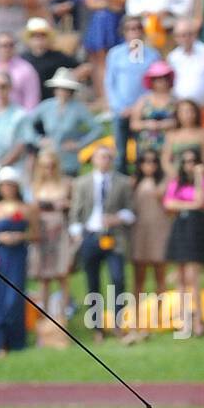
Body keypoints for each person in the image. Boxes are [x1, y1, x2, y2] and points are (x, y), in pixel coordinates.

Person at [68, 142, 134, 341]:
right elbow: (75, 213)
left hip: (114, 236)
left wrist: (118, 217)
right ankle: (97, 327)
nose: (104, 160)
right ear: (93, 160)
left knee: (118, 279)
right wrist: (77, 232)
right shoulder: (82, 183)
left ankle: (118, 322)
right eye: (100, 156)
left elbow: (131, 211)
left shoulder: (123, 182)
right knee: (92, 281)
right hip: (91, 235)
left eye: (108, 157)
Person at [0, 166, 38, 355]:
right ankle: (0, 343)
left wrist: (20, 237)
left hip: (18, 255)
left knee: (15, 297)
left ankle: (16, 341)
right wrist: (2, 238)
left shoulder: (26, 208)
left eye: (11, 185)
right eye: (5, 185)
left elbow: (36, 234)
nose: (8, 189)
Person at [164, 146, 204, 338]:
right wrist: (190, 205)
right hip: (180, 227)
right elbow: (168, 203)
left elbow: (202, 201)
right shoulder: (177, 182)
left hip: (195, 227)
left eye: (193, 161)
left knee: (194, 278)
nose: (189, 166)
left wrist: (199, 178)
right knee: (181, 277)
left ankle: (199, 321)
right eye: (186, 162)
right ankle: (184, 322)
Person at [27, 144, 73, 327]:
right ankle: (45, 318)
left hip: (60, 228)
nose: (49, 169)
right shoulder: (35, 186)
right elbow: (31, 209)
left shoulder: (65, 183)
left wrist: (64, 205)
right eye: (45, 165)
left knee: (62, 274)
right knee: (44, 277)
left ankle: (63, 317)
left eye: (52, 165)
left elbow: (74, 206)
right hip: (43, 230)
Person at [105, 15, 158, 173]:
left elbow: (154, 85)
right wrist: (119, 107)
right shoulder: (115, 54)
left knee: (143, 152)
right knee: (121, 152)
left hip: (143, 111)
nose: (134, 33)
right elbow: (110, 83)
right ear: (124, 32)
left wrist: (139, 108)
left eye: (137, 28)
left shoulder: (152, 55)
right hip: (121, 111)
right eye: (130, 29)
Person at [129, 148, 172, 328]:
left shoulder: (164, 181)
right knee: (138, 278)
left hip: (159, 231)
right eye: (146, 161)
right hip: (139, 233)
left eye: (153, 161)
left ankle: (159, 317)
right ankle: (136, 319)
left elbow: (163, 197)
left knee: (159, 276)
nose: (150, 165)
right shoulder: (133, 183)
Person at [81, 0, 127, 101]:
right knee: (100, 61)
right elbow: (90, 1)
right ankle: (103, 97)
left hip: (117, 21)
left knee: (120, 56)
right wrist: (108, 4)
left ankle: (118, 93)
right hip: (101, 21)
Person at [34, 68, 100, 177]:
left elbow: (97, 129)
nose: (62, 92)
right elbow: (27, 124)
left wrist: (80, 143)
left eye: (65, 89)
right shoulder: (46, 106)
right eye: (60, 88)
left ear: (71, 91)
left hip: (69, 160)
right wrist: (38, 139)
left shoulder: (79, 108)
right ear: (55, 89)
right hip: (49, 159)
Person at [0, 32, 41, 112]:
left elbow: (32, 99)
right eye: (3, 46)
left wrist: (26, 121)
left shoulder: (26, 69)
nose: (6, 49)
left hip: (17, 121)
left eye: (10, 45)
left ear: (15, 47)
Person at [22, 18, 83, 100]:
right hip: (30, 102)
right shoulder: (23, 59)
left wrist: (69, 79)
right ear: (29, 39)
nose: (39, 39)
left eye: (43, 35)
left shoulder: (58, 57)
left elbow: (84, 67)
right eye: (35, 35)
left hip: (53, 103)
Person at [167, 18, 204, 108]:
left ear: (195, 34)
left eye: (189, 34)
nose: (185, 38)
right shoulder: (172, 57)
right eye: (181, 35)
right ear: (175, 38)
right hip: (183, 111)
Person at [129, 61, 177, 160]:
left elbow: (183, 120)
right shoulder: (143, 100)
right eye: (157, 79)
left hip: (170, 144)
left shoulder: (176, 101)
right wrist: (147, 124)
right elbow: (133, 124)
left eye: (164, 78)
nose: (161, 82)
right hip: (147, 146)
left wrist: (168, 124)